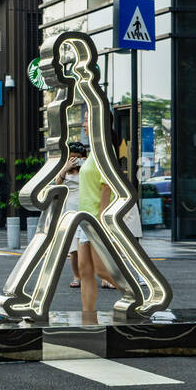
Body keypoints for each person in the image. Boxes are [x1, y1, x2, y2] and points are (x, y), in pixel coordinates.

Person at [73, 132, 123, 312]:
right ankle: (87, 316)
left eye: (88, 119)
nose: (85, 124)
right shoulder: (93, 149)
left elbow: (107, 184)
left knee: (102, 271)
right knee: (84, 271)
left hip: (95, 217)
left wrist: (102, 216)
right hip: (84, 217)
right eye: (85, 119)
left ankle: (136, 296)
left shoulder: (105, 148)